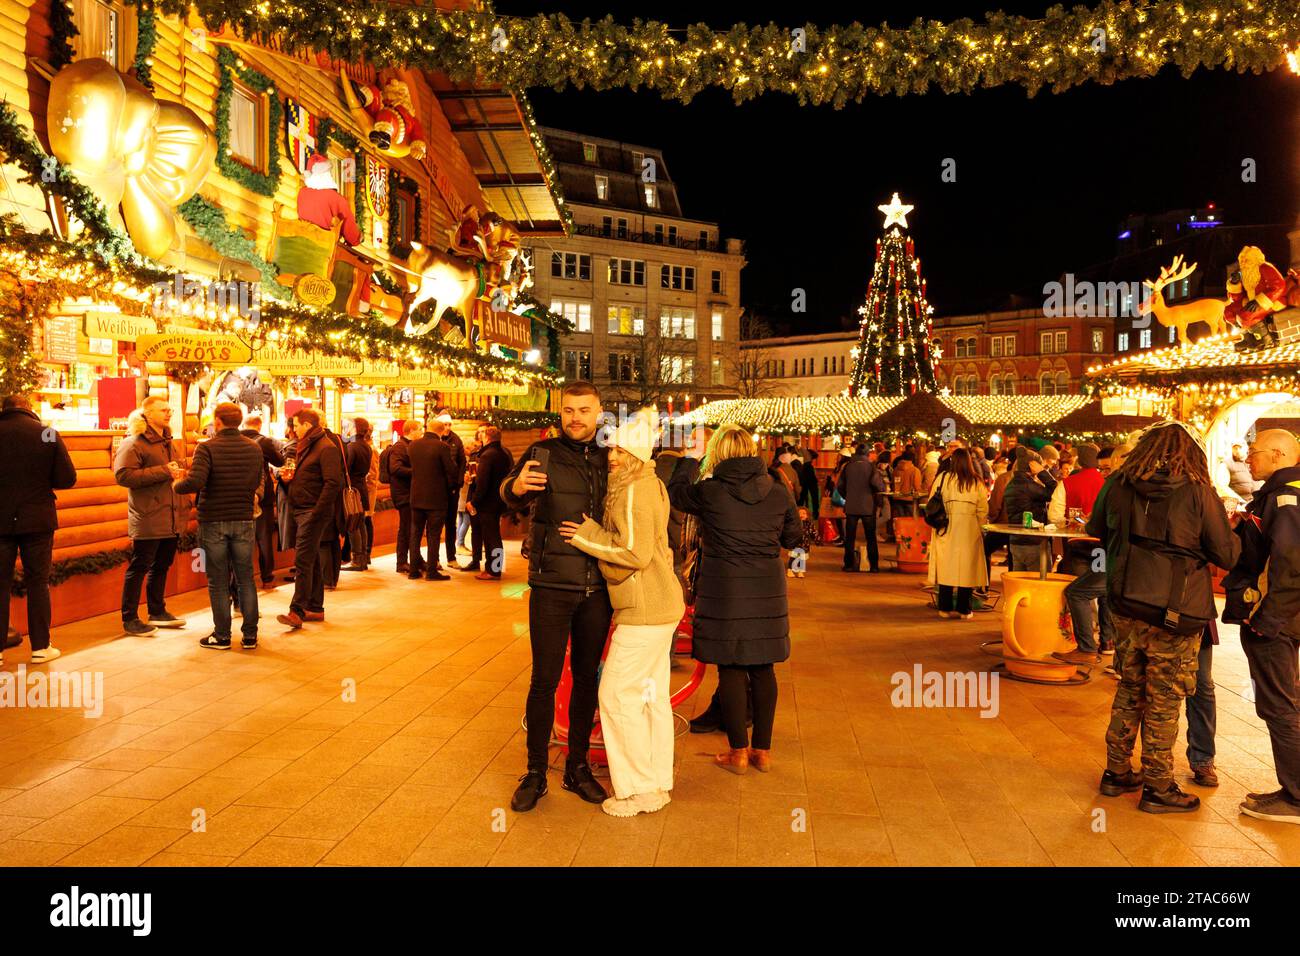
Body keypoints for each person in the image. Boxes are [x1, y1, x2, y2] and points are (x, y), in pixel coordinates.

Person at [1089, 421, 1239, 814]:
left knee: (1129, 686)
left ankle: (1116, 771)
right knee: (1165, 698)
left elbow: (1095, 528)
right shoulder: (1198, 493)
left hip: (1124, 602)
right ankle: (1158, 787)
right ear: (1191, 454)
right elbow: (1227, 555)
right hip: (1175, 611)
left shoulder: (1118, 483)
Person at [559, 408, 683, 816]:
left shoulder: (632, 490)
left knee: (615, 695)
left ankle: (632, 790)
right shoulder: (650, 484)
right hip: (661, 606)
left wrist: (585, 536)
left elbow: (633, 552)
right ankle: (655, 784)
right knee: (651, 698)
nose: (610, 457)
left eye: (617, 451)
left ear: (633, 454)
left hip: (643, 609)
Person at [499, 380, 612, 812]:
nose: (576, 418)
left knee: (587, 680)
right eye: (569, 410)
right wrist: (516, 488)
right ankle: (533, 772)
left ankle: (577, 767)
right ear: (560, 412)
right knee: (544, 681)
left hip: (599, 587)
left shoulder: (611, 457)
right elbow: (504, 494)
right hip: (551, 584)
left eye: (584, 410)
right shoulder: (541, 453)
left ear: (599, 412)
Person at [668, 424, 803, 774]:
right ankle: (763, 751)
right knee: (763, 668)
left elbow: (676, 493)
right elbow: (792, 538)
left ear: (719, 454)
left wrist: (689, 458)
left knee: (730, 668)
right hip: (766, 591)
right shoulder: (777, 491)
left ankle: (738, 751)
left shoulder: (710, 492)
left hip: (724, 589)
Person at [1221, 428, 1300, 823]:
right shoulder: (1278, 494)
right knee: (1285, 703)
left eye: (1254, 452)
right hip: (1283, 618)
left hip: (1276, 620)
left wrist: (1265, 621)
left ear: (1278, 454)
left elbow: (1290, 566)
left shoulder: (1285, 498)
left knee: (1279, 705)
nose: (1247, 459)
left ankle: (1296, 796)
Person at [174, 403, 264, 650]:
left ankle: (222, 635)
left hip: (213, 520)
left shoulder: (207, 448)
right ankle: (250, 636)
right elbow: (257, 481)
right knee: (246, 577)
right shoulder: (254, 448)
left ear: (218, 421)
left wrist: (176, 484)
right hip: (244, 519)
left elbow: (196, 481)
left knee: (218, 579)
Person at [0, 395, 76, 664]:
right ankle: (41, 647)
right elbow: (67, 478)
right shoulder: (46, 434)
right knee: (37, 582)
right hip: (38, 518)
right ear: (29, 409)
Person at [115, 395, 189, 636]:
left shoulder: (169, 441)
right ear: (147, 414)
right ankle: (130, 617)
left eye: (169, 409)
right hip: (148, 514)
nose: (168, 413)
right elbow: (124, 476)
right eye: (163, 410)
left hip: (171, 514)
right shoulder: (134, 442)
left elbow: (174, 471)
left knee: (163, 564)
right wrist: (163, 471)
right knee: (140, 565)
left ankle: (157, 610)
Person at [276, 408, 343, 629]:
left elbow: (333, 483)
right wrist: (288, 480)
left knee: (303, 560)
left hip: (312, 513)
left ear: (307, 425)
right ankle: (315, 608)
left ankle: (296, 611)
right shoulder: (308, 446)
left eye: (296, 425)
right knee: (311, 559)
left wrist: (317, 512)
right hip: (302, 509)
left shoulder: (326, 448)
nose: (293, 429)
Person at [1048, 443, 1114, 664]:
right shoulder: (1108, 481)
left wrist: (1073, 521)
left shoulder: (1067, 483)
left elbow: (1055, 516)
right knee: (1104, 593)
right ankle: (1107, 642)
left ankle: (1084, 644)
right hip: (1102, 547)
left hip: (1079, 545)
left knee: (1079, 593)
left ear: (1079, 459)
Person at [926, 447, 988, 619]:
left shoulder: (943, 478)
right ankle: (964, 608)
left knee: (947, 567)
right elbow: (983, 509)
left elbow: (932, 500)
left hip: (946, 526)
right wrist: (981, 526)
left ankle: (944, 607)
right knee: (967, 568)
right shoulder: (975, 482)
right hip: (969, 527)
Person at [408, 419, 455, 581]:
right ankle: (431, 571)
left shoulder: (413, 445)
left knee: (415, 533)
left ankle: (413, 570)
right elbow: (451, 470)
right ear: (442, 431)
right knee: (433, 535)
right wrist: (452, 486)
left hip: (416, 496)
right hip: (436, 497)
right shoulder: (442, 447)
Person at [240, 415, 285, 588]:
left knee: (241, 540)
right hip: (262, 496)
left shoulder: (237, 440)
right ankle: (267, 578)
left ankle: (243, 580)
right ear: (260, 426)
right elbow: (279, 461)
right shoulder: (264, 442)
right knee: (263, 538)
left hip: (240, 496)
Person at [465, 425, 513, 580]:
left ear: (486, 437)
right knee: (495, 537)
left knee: (490, 538)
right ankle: (496, 568)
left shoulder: (487, 455)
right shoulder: (503, 453)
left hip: (487, 503)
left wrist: (474, 501)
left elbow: (483, 482)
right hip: (499, 500)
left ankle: (492, 570)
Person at [1003, 447, 1056, 573]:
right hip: (1033, 542)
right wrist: (1042, 472)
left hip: (1016, 541)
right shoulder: (1029, 486)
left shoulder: (1011, 484)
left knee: (1020, 585)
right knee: (1038, 585)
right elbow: (1054, 492)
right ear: (1033, 466)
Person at [381, 420, 421, 575]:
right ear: (411, 430)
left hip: (407, 492)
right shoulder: (400, 447)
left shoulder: (407, 446)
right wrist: (416, 471)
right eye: (419, 430)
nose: (421, 433)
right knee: (406, 528)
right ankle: (402, 562)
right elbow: (395, 468)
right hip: (402, 494)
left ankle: (413, 559)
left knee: (409, 527)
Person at [837, 442, 883, 572]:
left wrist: (848, 496)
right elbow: (877, 485)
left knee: (850, 537)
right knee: (870, 537)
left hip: (851, 506)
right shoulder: (871, 467)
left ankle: (849, 564)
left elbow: (840, 486)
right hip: (868, 506)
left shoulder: (848, 467)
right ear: (868, 454)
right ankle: (874, 566)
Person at [341, 418, 374, 572]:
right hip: (362, 487)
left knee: (353, 524)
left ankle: (356, 559)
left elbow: (346, 468)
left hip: (352, 489)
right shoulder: (367, 447)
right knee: (361, 523)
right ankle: (364, 558)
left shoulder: (352, 447)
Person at [434, 410, 466, 569]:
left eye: (449, 424)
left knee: (451, 525)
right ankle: (435, 558)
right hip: (437, 489)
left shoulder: (456, 440)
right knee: (436, 524)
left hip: (453, 489)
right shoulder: (435, 439)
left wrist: (458, 483)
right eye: (444, 424)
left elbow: (462, 463)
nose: (447, 427)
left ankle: (451, 557)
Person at [892, 451, 922, 516]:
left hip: (897, 498)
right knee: (911, 520)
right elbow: (917, 486)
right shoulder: (915, 470)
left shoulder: (896, 469)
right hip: (910, 498)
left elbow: (893, 482)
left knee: (900, 519)